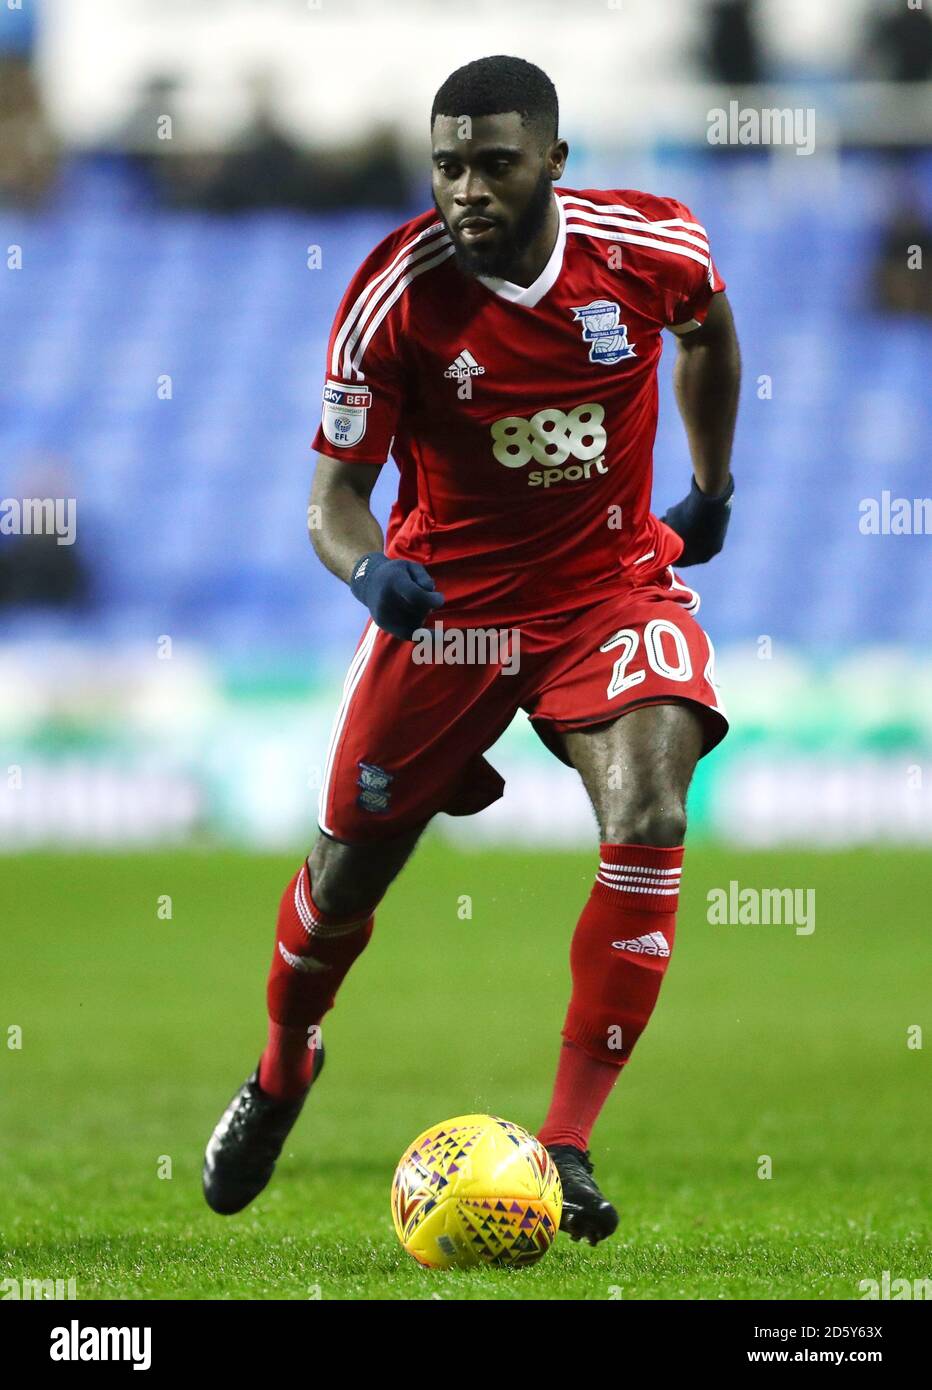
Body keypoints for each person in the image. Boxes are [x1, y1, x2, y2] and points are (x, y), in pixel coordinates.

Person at [204, 55, 740, 1246]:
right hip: (448, 613)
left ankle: (566, 1144)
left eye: (493, 163)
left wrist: (707, 484)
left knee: (649, 806)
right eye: (446, 165)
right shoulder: (394, 294)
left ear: (554, 159)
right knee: (345, 876)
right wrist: (367, 568)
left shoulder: (649, 247)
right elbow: (331, 497)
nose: (465, 189)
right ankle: (284, 1064)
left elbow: (706, 330)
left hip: (603, 584)